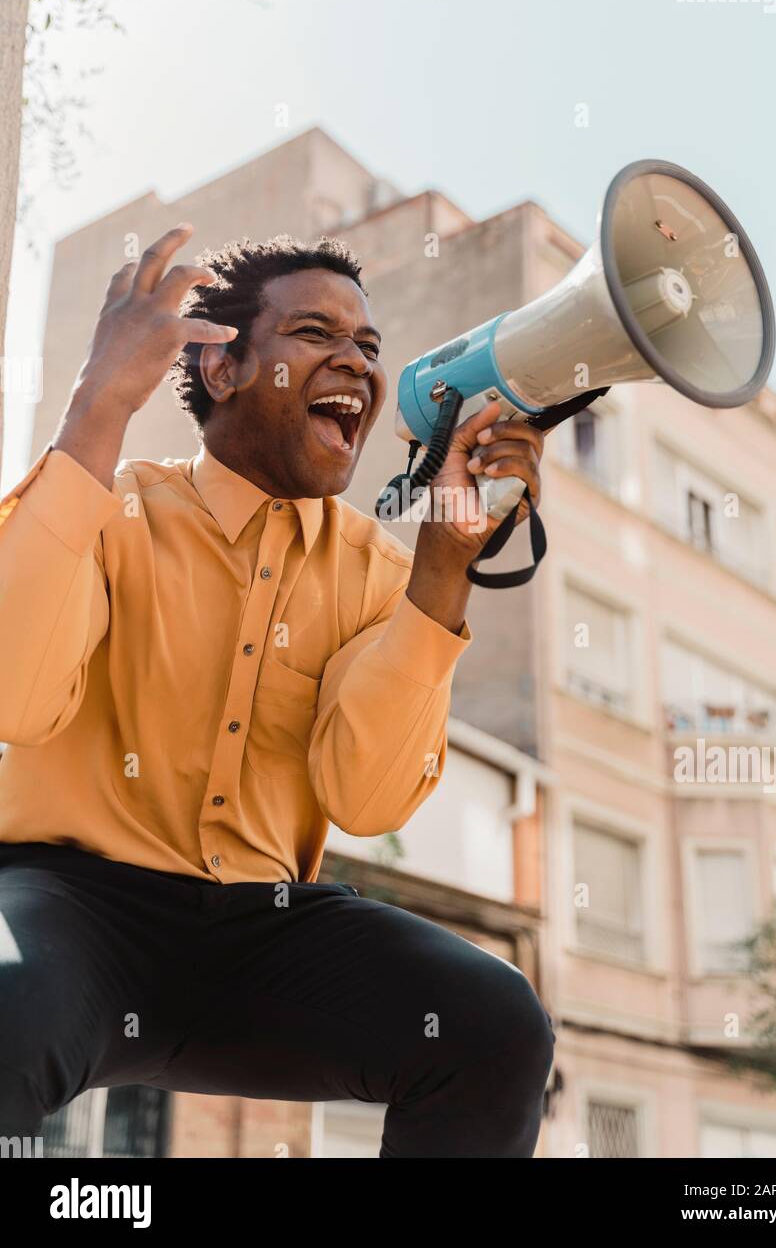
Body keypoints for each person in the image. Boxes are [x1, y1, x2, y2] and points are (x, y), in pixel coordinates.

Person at [0, 224, 554, 1158]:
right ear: (224, 371)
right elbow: (14, 695)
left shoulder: (383, 574)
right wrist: (99, 401)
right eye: (315, 335)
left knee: (495, 1024)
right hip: (72, 908)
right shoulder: (104, 500)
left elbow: (366, 798)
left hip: (270, 932)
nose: (358, 363)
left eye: (369, 348)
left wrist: (446, 566)